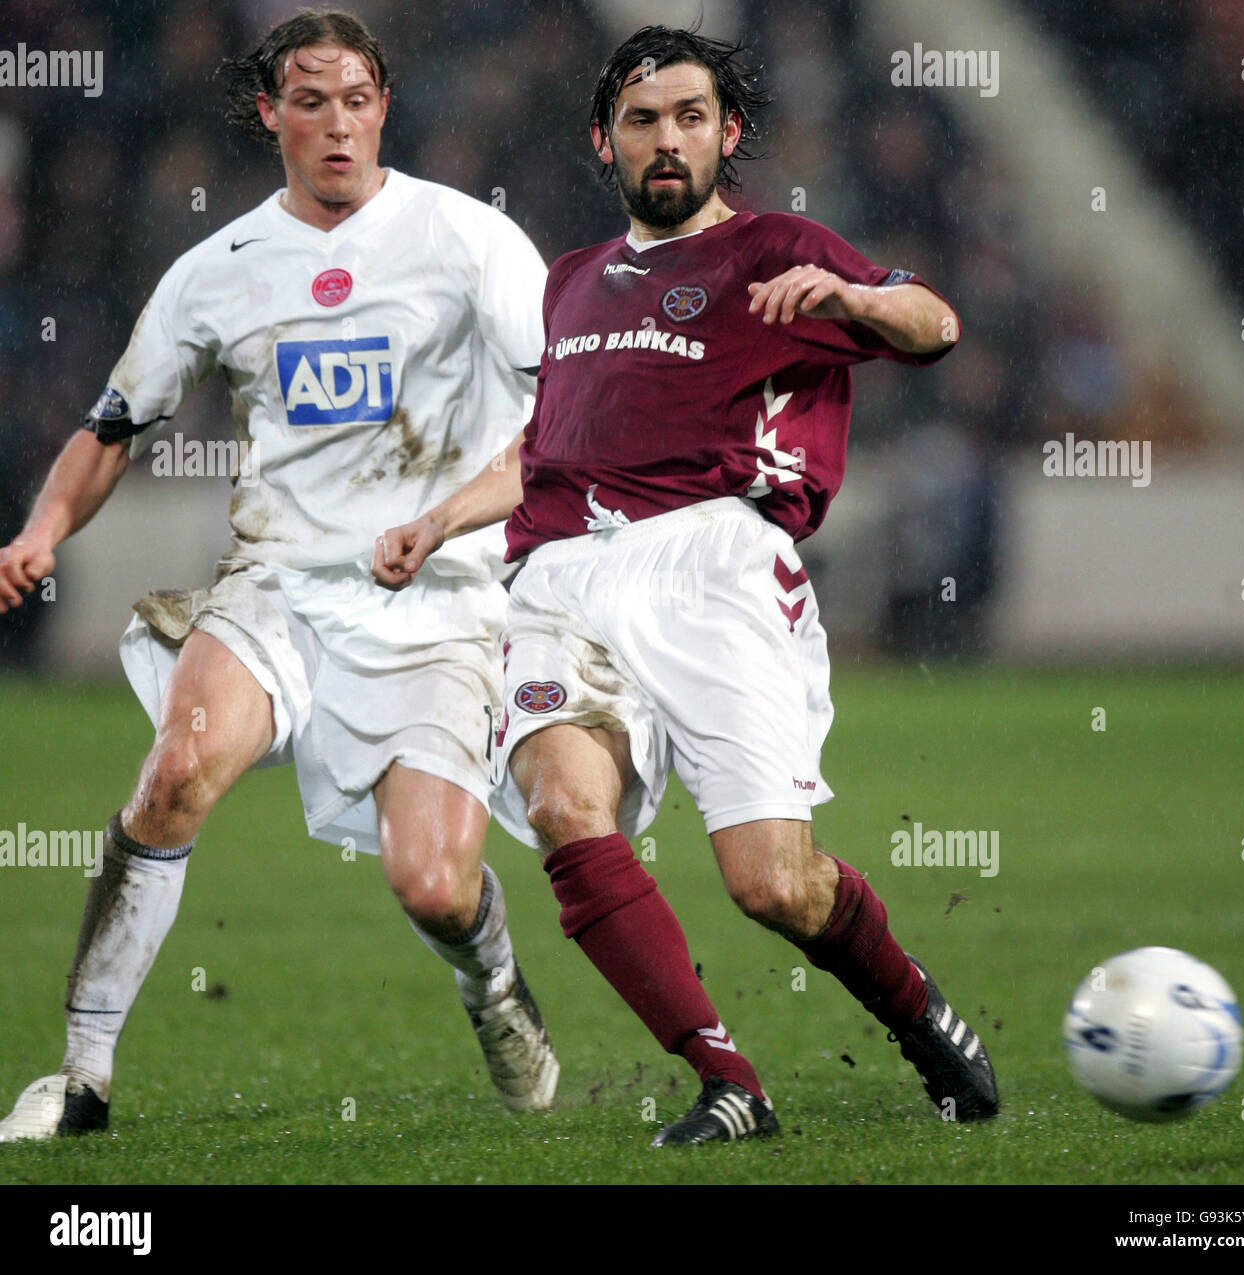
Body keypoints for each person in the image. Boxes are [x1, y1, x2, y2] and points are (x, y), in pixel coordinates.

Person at [374, 24, 998, 1146]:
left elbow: (936, 323)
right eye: (644, 120)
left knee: (773, 885)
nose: (670, 141)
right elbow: (541, 451)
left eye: (693, 118)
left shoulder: (776, 246)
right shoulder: (571, 281)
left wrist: (850, 299)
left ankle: (916, 1012)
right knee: (567, 808)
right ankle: (727, 1080)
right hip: (560, 571)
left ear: (730, 132)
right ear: (603, 142)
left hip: (714, 568)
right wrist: (436, 520)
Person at [0, 9, 557, 1143]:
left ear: (384, 106)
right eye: (311, 102)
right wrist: (42, 528)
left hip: (437, 599)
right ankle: (82, 1078)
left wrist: (449, 516)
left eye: (357, 100)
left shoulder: (469, 240)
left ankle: (494, 986)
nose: (337, 125)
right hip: (278, 585)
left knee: (432, 886)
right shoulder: (219, 268)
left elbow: (561, 413)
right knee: (173, 777)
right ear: (272, 115)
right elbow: (114, 425)